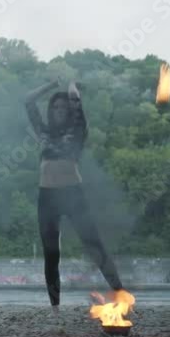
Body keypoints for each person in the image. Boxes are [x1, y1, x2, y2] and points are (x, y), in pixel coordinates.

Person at [24, 78, 123, 313]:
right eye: (55, 107)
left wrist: (71, 88)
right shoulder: (44, 131)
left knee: (94, 245)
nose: (59, 111)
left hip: (72, 194)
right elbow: (28, 101)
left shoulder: (76, 131)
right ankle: (55, 307)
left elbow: (76, 102)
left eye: (63, 108)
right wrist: (49, 85)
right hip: (47, 196)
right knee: (51, 253)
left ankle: (120, 293)